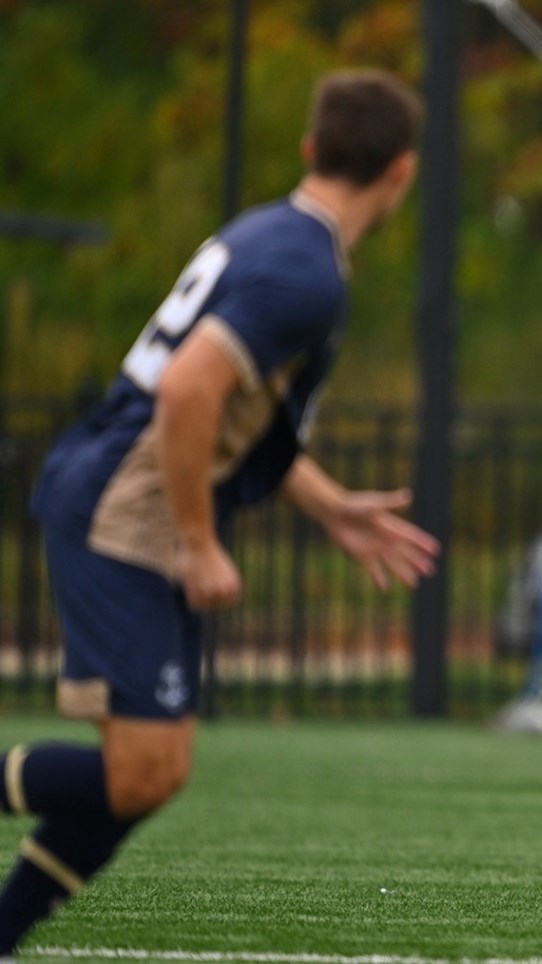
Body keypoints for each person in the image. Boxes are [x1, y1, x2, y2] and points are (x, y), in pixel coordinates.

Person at [2, 69, 439, 953]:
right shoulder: (303, 270)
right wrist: (200, 543)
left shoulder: (273, 236)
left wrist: (328, 506)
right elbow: (188, 395)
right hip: (126, 514)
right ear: (403, 172)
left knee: (145, 778)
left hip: (123, 501)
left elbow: (244, 417)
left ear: (312, 150)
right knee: (147, 769)